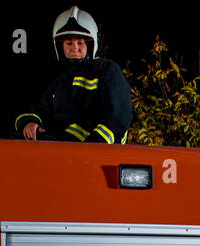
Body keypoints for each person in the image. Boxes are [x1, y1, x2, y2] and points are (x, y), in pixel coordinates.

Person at [15, 7, 133, 145]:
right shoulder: (60, 78)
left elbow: (118, 117)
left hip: (95, 149)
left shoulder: (106, 70)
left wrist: (94, 146)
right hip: (64, 146)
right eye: (69, 43)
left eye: (80, 42)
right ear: (60, 46)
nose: (74, 48)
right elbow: (42, 108)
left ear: (90, 44)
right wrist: (30, 122)